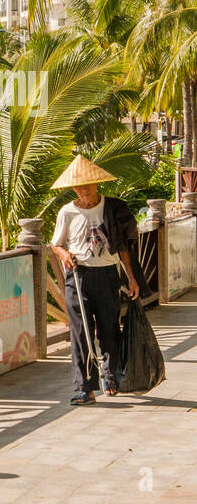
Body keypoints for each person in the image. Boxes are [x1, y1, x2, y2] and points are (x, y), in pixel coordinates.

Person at [48, 155, 141, 405]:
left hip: (108, 275)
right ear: (73, 188)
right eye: (79, 186)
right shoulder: (66, 212)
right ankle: (84, 388)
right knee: (81, 332)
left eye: (88, 184)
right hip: (78, 276)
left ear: (97, 184)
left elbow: (123, 248)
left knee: (109, 327)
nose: (84, 190)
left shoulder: (112, 208)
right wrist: (64, 254)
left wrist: (131, 278)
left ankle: (110, 378)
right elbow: (55, 244)